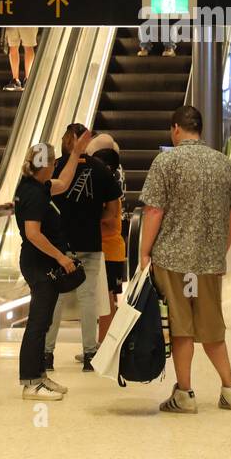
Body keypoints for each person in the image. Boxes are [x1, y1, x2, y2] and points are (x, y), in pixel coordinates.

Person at [139, 105, 231, 414]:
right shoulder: (223, 164)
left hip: (174, 261)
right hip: (208, 263)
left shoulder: (166, 161)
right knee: (212, 326)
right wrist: (218, 250)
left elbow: (154, 210)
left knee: (181, 326)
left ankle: (185, 393)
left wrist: (145, 252)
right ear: (200, 130)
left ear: (176, 129)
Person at [16, 136, 89, 401]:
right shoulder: (34, 194)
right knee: (38, 322)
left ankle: (39, 375)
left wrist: (76, 154)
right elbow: (33, 234)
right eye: (54, 160)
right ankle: (30, 381)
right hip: (39, 264)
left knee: (43, 320)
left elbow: (65, 183)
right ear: (46, 165)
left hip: (40, 262)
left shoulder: (36, 185)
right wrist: (61, 257)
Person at [45, 129, 122, 373]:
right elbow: (112, 210)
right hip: (90, 242)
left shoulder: (54, 167)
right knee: (88, 298)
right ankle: (90, 353)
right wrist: (94, 219)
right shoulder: (101, 169)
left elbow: (40, 198)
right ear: (86, 142)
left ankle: (47, 354)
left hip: (58, 244)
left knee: (55, 297)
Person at [87, 135, 127, 343]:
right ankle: (104, 343)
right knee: (106, 300)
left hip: (109, 252)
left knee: (107, 301)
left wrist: (91, 218)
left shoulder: (109, 189)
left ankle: (104, 345)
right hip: (108, 251)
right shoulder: (110, 185)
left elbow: (111, 220)